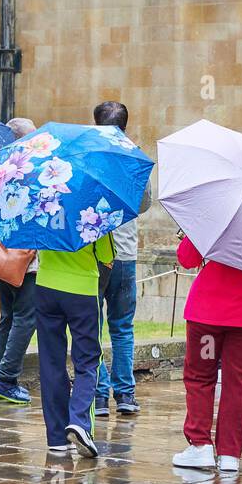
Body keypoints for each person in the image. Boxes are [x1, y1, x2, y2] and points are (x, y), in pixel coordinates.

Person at [173, 231, 242, 473]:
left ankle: (200, 445)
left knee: (201, 377)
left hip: (207, 316)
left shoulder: (213, 217)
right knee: (237, 382)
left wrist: (190, 233)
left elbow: (187, 258)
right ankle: (230, 454)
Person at [36, 225, 115, 460]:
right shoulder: (95, 207)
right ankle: (80, 422)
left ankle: (57, 437)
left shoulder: (42, 200)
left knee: (50, 362)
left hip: (46, 284)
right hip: (82, 289)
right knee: (88, 359)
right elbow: (107, 255)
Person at [92, 100, 150, 419]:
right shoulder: (135, 159)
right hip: (125, 252)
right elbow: (143, 205)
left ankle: (100, 397)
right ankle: (125, 394)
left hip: (95, 255)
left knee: (94, 326)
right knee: (122, 327)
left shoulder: (89, 156)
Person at [0, 116, 38, 405]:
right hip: (25, 258)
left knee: (8, 316)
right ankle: (5, 378)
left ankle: (0, 376)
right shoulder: (30, 170)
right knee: (25, 317)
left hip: (2, 253)